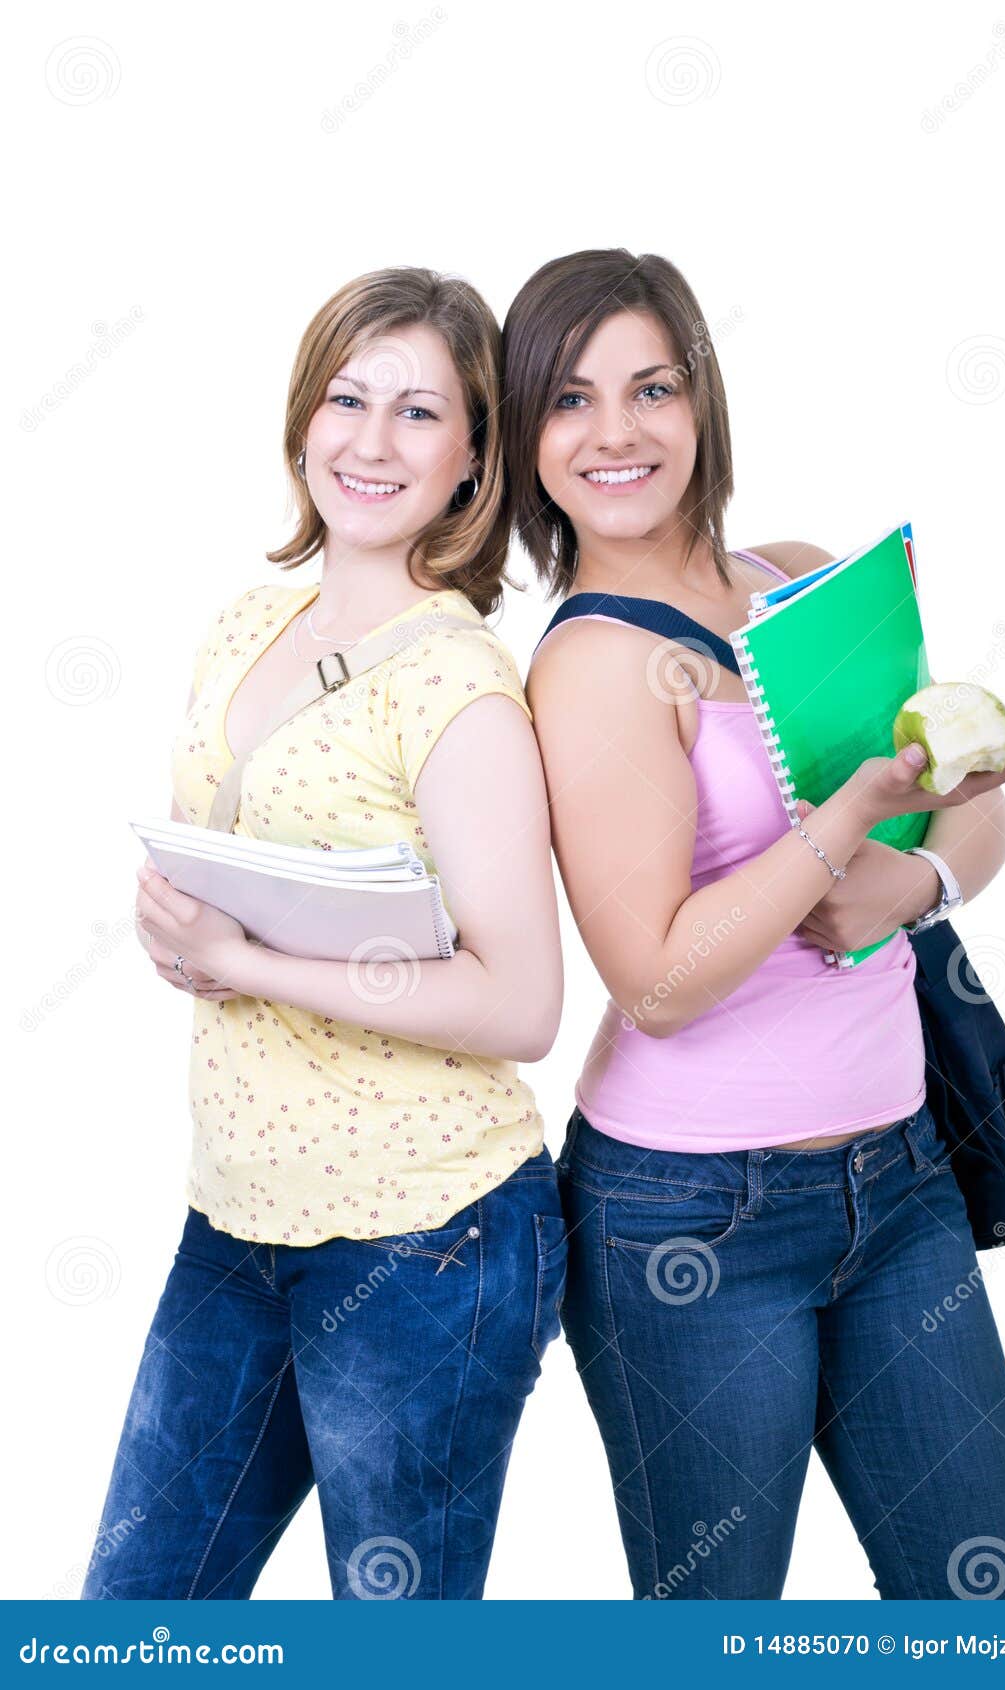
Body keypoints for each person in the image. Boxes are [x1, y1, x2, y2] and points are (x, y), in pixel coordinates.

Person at [503, 247, 1005, 1600]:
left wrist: (912, 882)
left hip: (902, 1183)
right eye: (570, 401)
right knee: (717, 1641)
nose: (617, 432)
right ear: (524, 436)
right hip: (693, 1219)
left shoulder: (801, 576)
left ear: (703, 395)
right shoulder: (590, 665)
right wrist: (841, 830)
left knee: (991, 1620)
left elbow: (976, 794)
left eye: (650, 386)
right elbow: (659, 980)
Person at [82, 267, 566, 1601]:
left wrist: (243, 962)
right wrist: (177, 927)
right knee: (132, 1625)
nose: (370, 440)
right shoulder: (248, 623)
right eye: (347, 398)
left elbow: (522, 999)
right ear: (303, 421)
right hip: (237, 1216)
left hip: (429, 1238)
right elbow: (229, 857)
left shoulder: (458, 680)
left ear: (475, 457)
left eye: (420, 413)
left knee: (391, 1648)